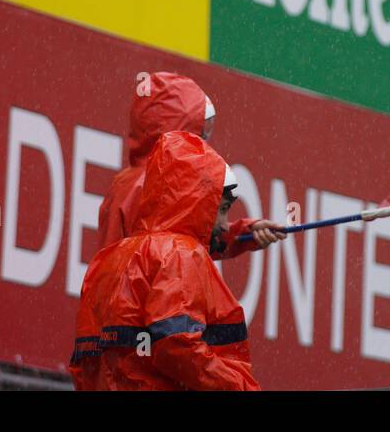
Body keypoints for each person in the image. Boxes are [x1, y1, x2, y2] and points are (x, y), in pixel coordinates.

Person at [69, 131, 260, 390]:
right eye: (223, 209)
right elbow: (176, 343)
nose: (226, 225)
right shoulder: (180, 254)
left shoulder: (108, 260)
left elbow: (84, 361)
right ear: (200, 201)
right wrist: (240, 387)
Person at [96, 71, 284, 257]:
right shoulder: (150, 187)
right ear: (176, 131)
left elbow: (186, 243)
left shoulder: (138, 185)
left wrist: (244, 233)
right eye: (199, 134)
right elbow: (174, 254)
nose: (201, 145)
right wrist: (242, 233)